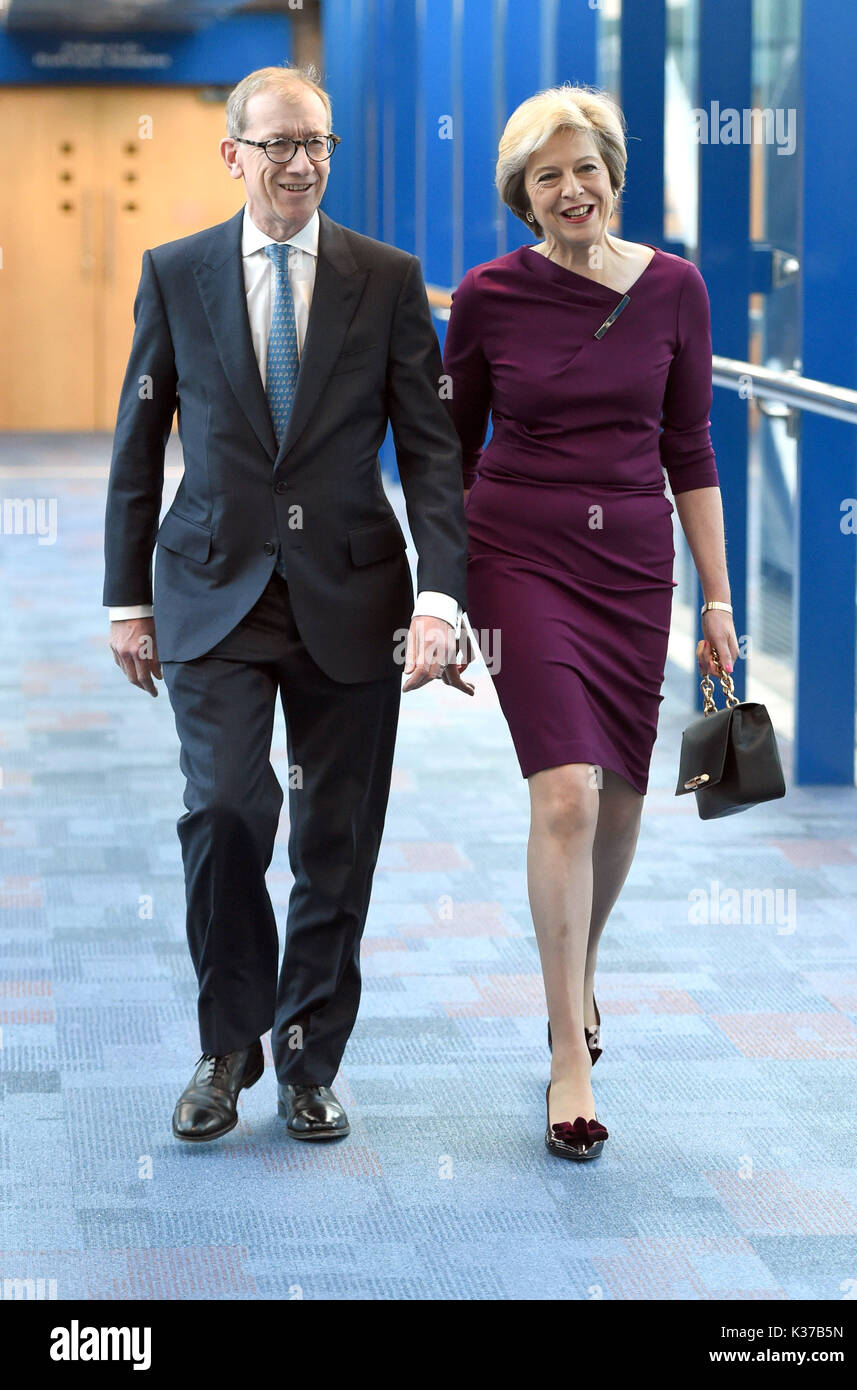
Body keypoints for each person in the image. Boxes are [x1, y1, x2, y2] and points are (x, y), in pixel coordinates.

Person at [104, 63, 472, 1145]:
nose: (300, 163)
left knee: (335, 837)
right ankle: (228, 1045)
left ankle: (310, 1057)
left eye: (316, 144)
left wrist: (444, 597)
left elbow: (434, 453)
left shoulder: (387, 277)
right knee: (224, 809)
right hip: (212, 587)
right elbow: (138, 445)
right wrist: (127, 598)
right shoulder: (177, 273)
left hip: (353, 593)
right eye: (278, 145)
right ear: (234, 155)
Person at [442, 85, 738, 1161]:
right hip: (518, 554)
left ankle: (582, 973)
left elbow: (690, 448)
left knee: (619, 800)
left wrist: (715, 595)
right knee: (563, 789)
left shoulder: (675, 290)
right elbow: (448, 452)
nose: (571, 189)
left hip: (631, 566)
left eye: (585, 168)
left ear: (615, 173)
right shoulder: (486, 297)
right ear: (524, 196)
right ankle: (569, 1047)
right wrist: (440, 592)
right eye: (546, 176)